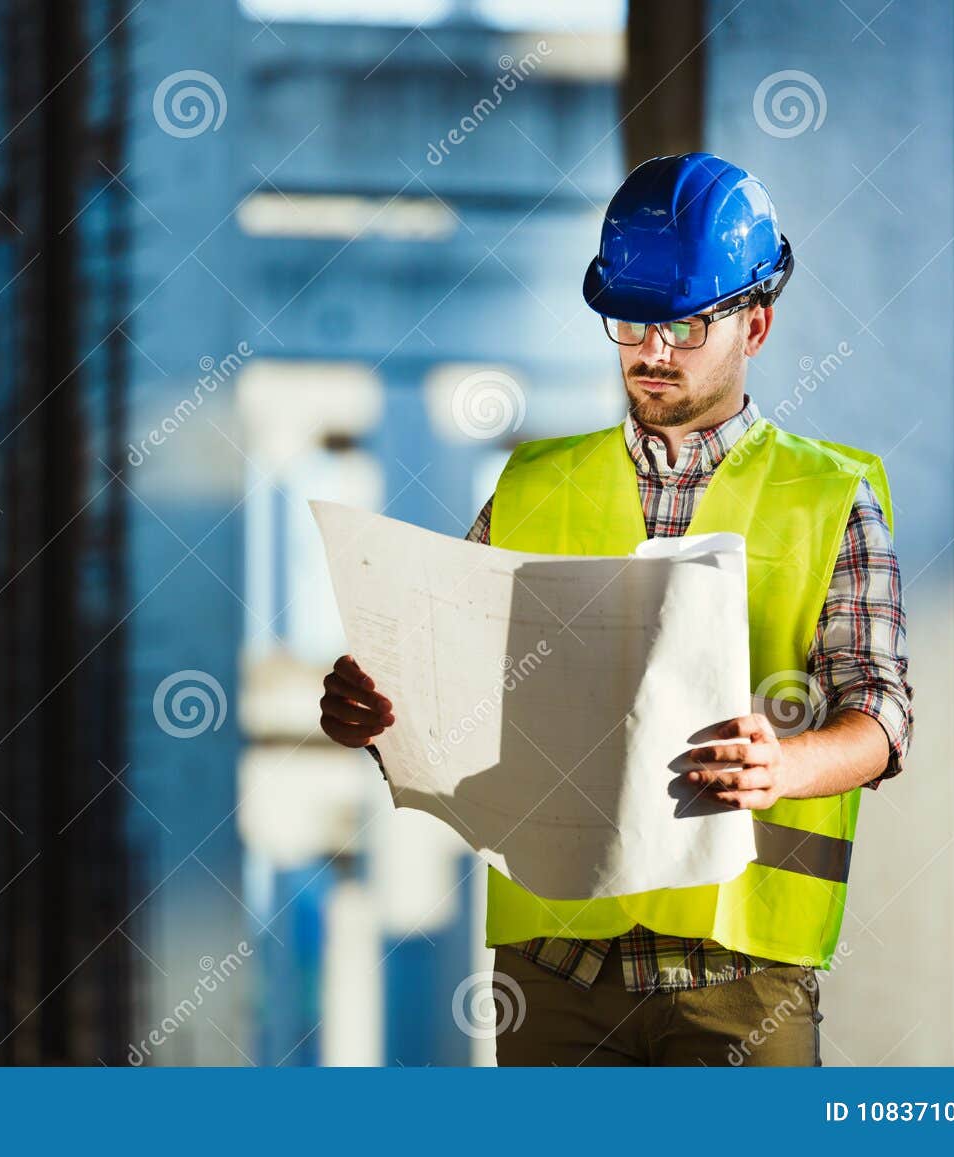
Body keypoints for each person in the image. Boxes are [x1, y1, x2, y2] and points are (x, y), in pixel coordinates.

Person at [319, 152, 913, 1066]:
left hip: (740, 980)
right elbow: (450, 683)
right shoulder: (530, 486)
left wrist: (782, 766)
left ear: (754, 325)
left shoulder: (828, 495)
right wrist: (378, 711)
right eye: (632, 322)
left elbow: (880, 712)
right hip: (554, 973)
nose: (653, 352)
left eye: (683, 325)